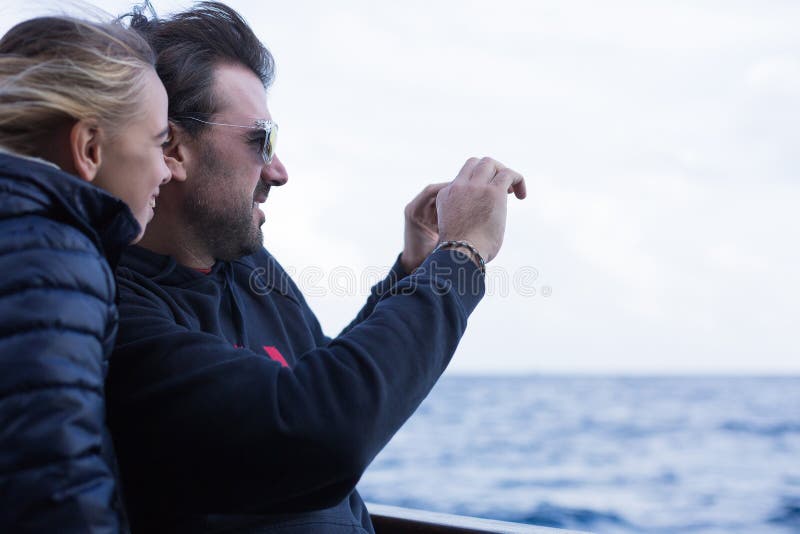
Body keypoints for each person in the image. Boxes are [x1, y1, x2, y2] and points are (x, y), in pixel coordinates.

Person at [106, 2, 526, 532]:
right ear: (174, 150)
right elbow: (321, 433)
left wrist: (414, 270)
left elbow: (320, 375)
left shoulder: (247, 265)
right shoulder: (114, 313)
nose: (278, 171)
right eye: (262, 140)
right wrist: (461, 258)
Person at [0, 15, 172, 532]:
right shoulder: (54, 258)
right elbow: (56, 487)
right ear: (90, 148)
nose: (167, 169)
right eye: (159, 143)